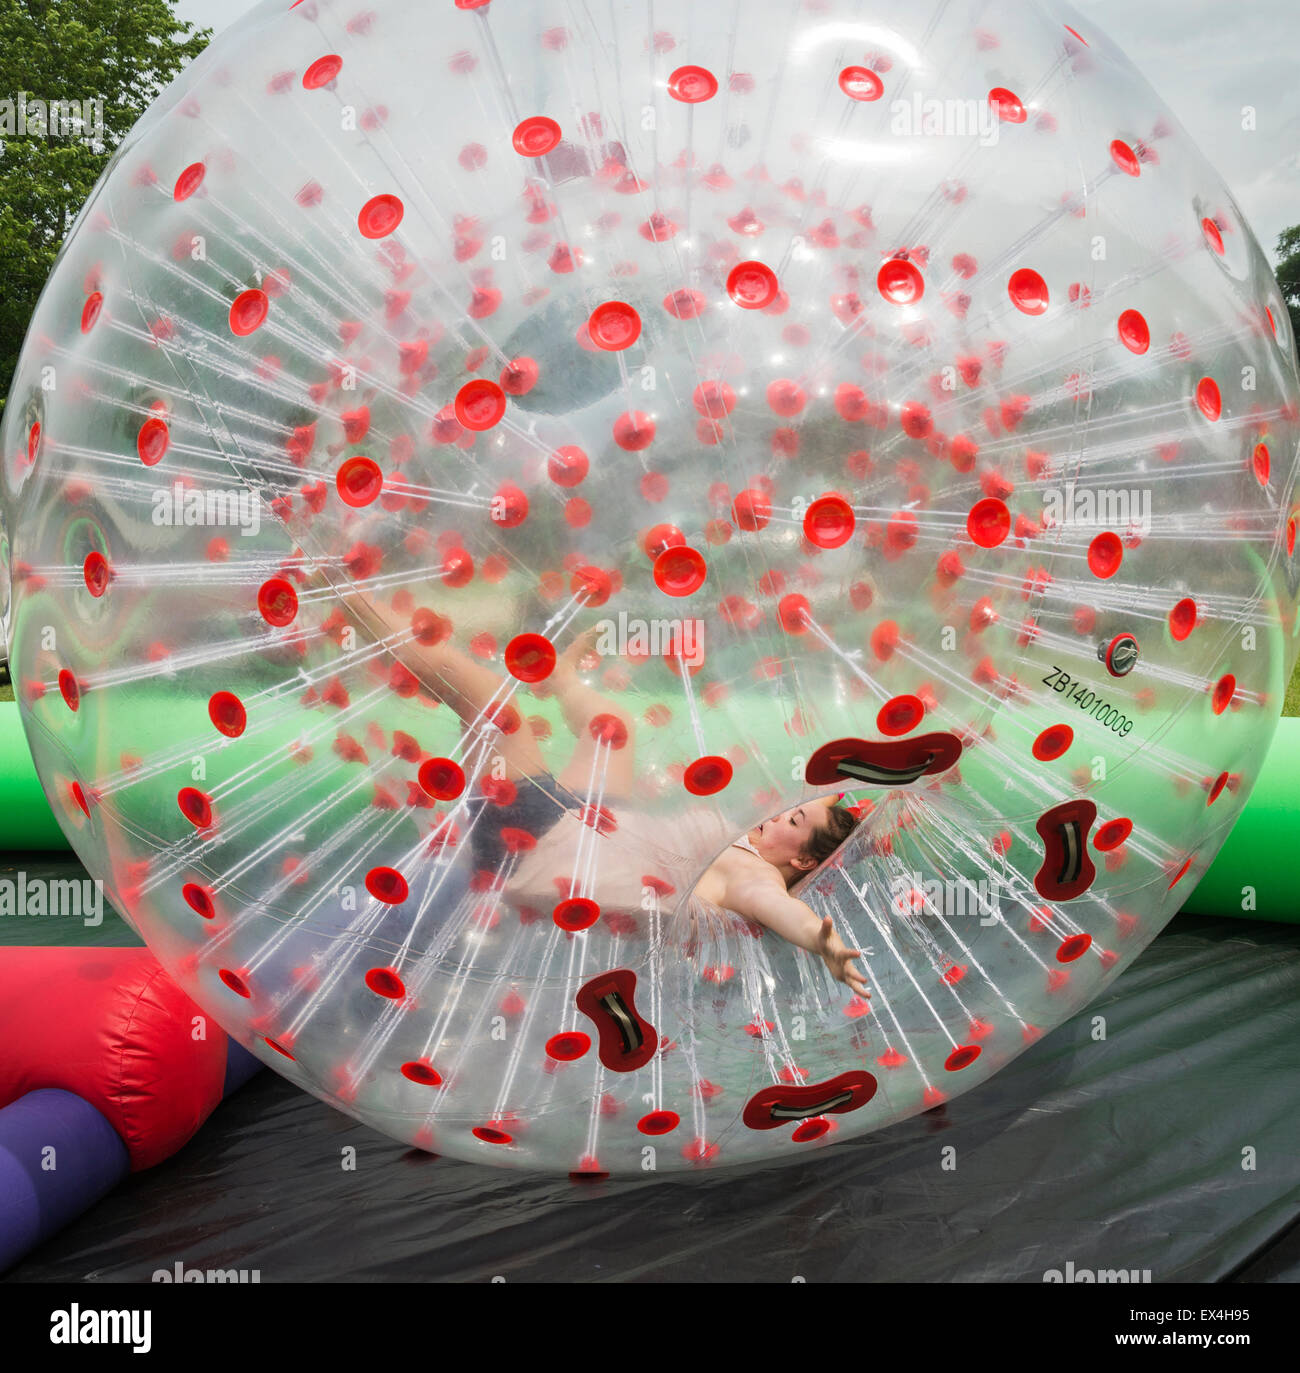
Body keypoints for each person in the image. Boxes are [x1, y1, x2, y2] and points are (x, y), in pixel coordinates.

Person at [373, 607, 869, 996]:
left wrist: (823, 942)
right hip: (591, 822)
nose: (780, 813)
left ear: (803, 859)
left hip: (534, 845)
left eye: (796, 819)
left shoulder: (755, 879)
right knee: (613, 729)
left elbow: (782, 910)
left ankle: (345, 595)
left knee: (486, 702)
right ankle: (563, 678)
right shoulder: (753, 853)